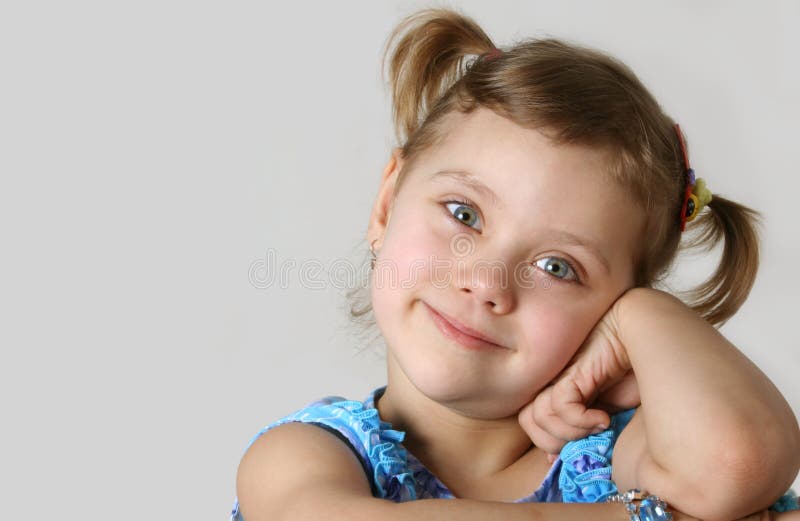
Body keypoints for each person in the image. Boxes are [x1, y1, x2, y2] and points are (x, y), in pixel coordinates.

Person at [230, 7, 800, 521]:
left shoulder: (620, 450)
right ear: (387, 204)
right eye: (464, 214)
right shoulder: (307, 457)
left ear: (609, 312)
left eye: (558, 267)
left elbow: (737, 466)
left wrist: (645, 316)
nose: (487, 282)